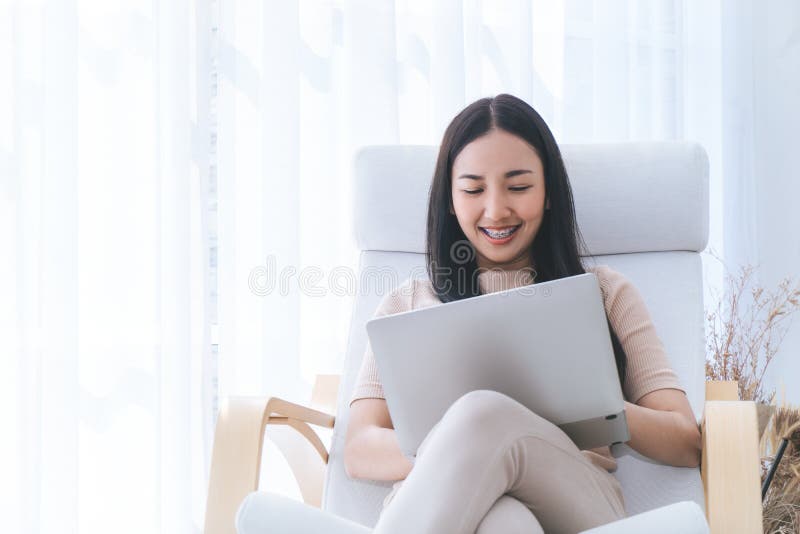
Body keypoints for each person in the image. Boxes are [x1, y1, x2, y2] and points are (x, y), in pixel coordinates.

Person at [344, 93, 702, 534]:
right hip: (452, 506)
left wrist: (590, 405)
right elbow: (359, 447)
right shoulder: (406, 303)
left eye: (518, 187)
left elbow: (685, 440)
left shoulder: (606, 293)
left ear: (549, 192)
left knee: (484, 415)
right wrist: (464, 449)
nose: (496, 210)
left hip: (576, 501)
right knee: (505, 520)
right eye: (474, 189)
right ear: (450, 201)